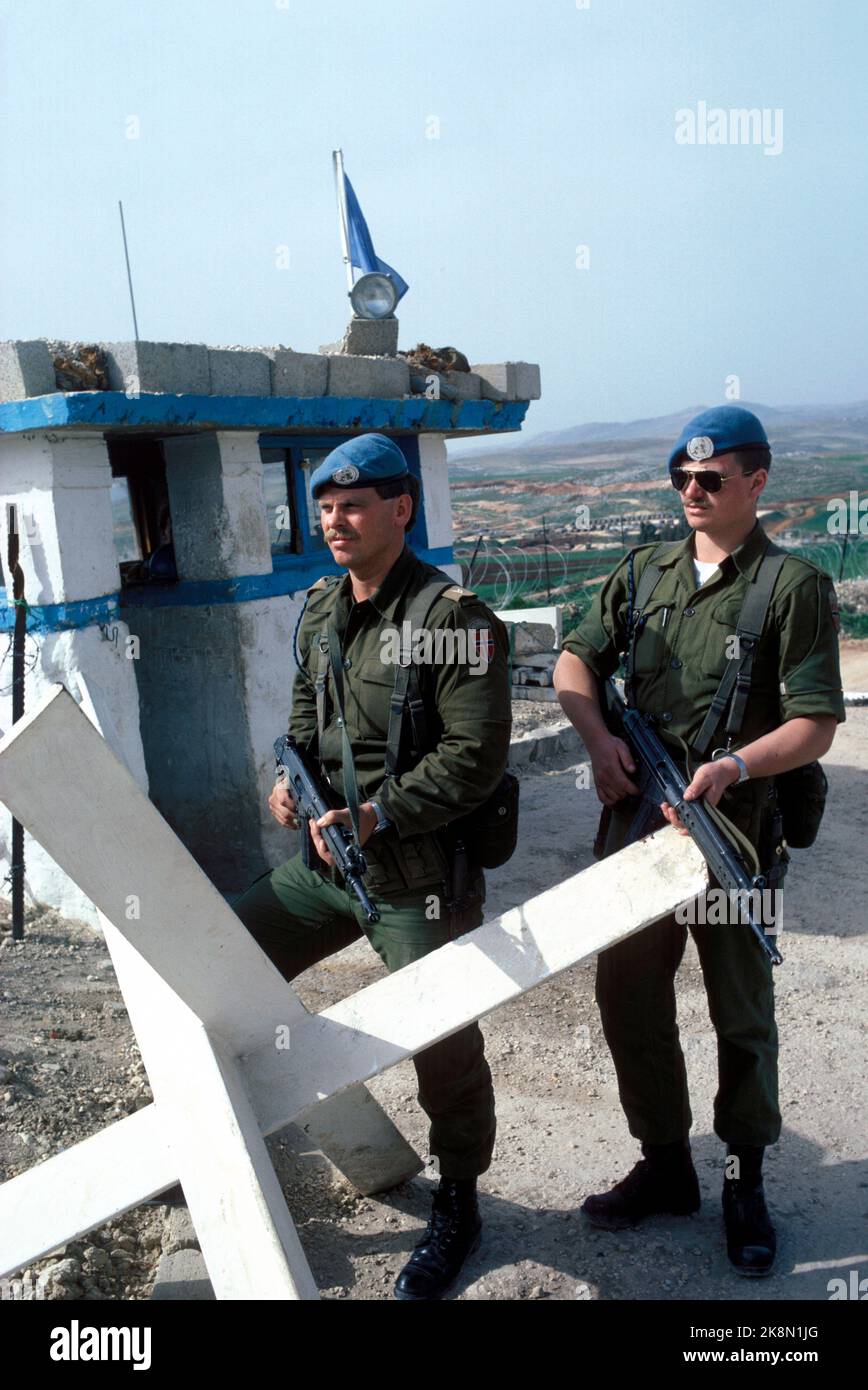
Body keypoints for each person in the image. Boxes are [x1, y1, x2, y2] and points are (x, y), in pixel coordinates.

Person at [553, 405, 845, 1276]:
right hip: (640, 834)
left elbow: (816, 724)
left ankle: (743, 1179)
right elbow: (576, 659)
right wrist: (597, 740)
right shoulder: (643, 573)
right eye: (682, 478)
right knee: (630, 1003)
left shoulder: (791, 587)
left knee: (742, 1015)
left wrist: (736, 767)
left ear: (756, 483)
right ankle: (666, 1165)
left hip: (737, 841)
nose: (692, 491)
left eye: (711, 480)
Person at [231, 431, 512, 1300]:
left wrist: (381, 811)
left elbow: (474, 756)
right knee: (225, 958)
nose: (334, 520)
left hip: (417, 877)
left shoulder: (451, 620)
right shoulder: (321, 611)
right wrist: (290, 789)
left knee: (440, 1039)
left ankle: (459, 1199)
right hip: (327, 861)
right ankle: (220, 1144)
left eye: (352, 505)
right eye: (323, 506)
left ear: (402, 508)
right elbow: (302, 730)